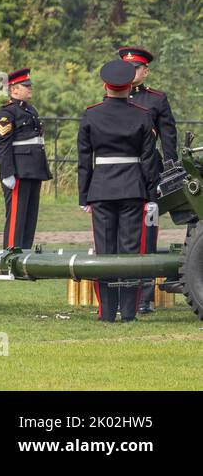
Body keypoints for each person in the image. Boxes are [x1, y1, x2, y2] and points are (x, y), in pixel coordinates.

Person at [77, 59, 157, 323]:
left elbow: (84, 160)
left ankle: (107, 312)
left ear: (105, 85)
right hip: (133, 188)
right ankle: (129, 312)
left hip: (100, 189)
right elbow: (148, 160)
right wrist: (150, 194)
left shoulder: (91, 114)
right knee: (130, 251)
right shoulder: (143, 115)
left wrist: (83, 195)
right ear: (128, 86)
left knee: (105, 251)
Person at [119, 46, 178, 313]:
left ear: (145, 71)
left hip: (146, 172)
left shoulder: (156, 99)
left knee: (146, 232)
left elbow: (168, 136)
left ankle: (143, 298)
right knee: (119, 233)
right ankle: (118, 293)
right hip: (117, 172)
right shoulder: (112, 97)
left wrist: (170, 166)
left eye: (136, 69)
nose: (131, 73)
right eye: (127, 68)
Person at [0, 67, 51, 249]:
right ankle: (11, 254)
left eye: (29, 85)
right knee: (17, 216)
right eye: (25, 85)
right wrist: (7, 172)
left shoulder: (30, 110)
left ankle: (24, 254)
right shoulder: (7, 114)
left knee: (30, 216)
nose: (30, 88)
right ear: (13, 89)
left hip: (33, 169)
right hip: (18, 171)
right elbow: (2, 145)